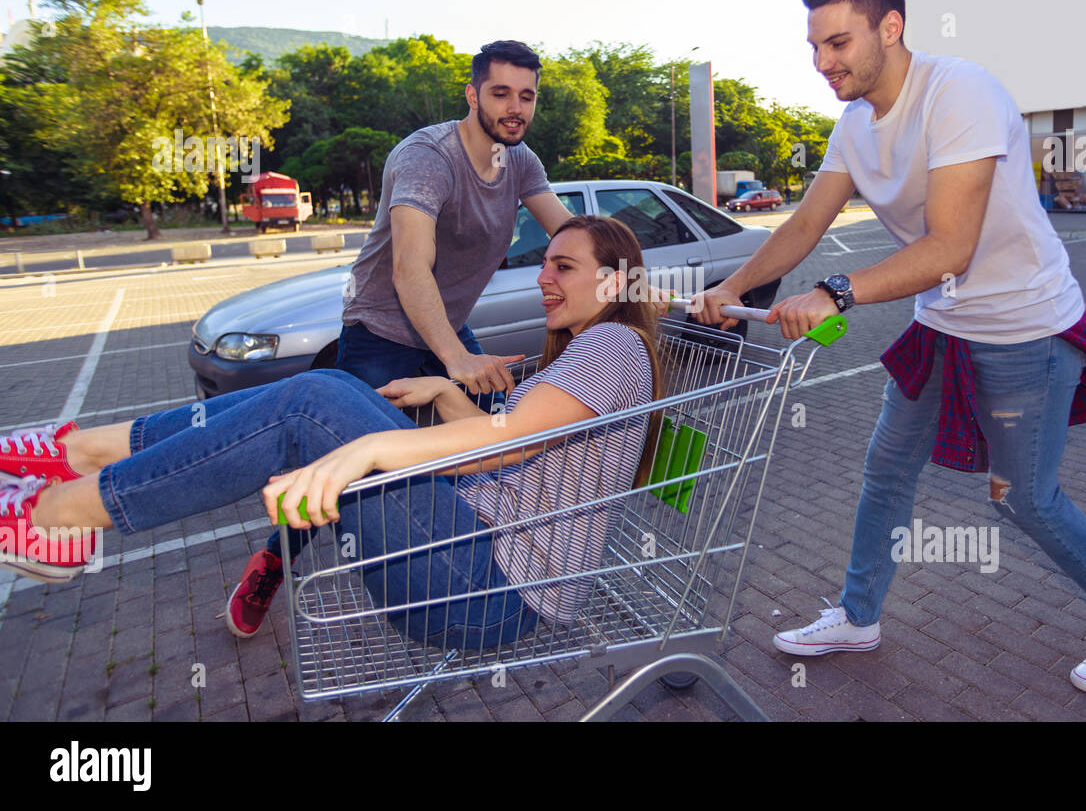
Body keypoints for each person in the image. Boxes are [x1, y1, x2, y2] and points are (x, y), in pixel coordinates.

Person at [696, 0, 1086, 696]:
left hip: (1025, 326)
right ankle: (857, 612)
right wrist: (732, 286)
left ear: (890, 26)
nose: (823, 63)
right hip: (945, 325)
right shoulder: (853, 126)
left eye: (838, 43)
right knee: (886, 467)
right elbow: (808, 222)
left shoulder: (959, 92)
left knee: (1022, 497)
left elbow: (951, 247)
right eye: (813, 47)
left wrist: (836, 292)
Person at [0, 216, 660, 648]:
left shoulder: (610, 344)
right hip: (470, 556)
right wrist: (446, 392)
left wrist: (366, 449)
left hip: (487, 587)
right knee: (335, 389)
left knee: (316, 403)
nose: (543, 275)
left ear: (612, 278)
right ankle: (80, 452)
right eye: (545, 261)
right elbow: (513, 443)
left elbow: (510, 442)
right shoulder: (594, 347)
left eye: (562, 266)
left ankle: (62, 510)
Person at [246, 40, 575, 636]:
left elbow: (573, 235)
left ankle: (460, 556)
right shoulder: (427, 156)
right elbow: (408, 269)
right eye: (500, 93)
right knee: (348, 463)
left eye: (526, 96)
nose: (514, 108)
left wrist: (629, 278)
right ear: (473, 94)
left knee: (475, 443)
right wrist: (456, 358)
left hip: (447, 332)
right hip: (381, 331)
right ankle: (274, 559)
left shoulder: (521, 161)